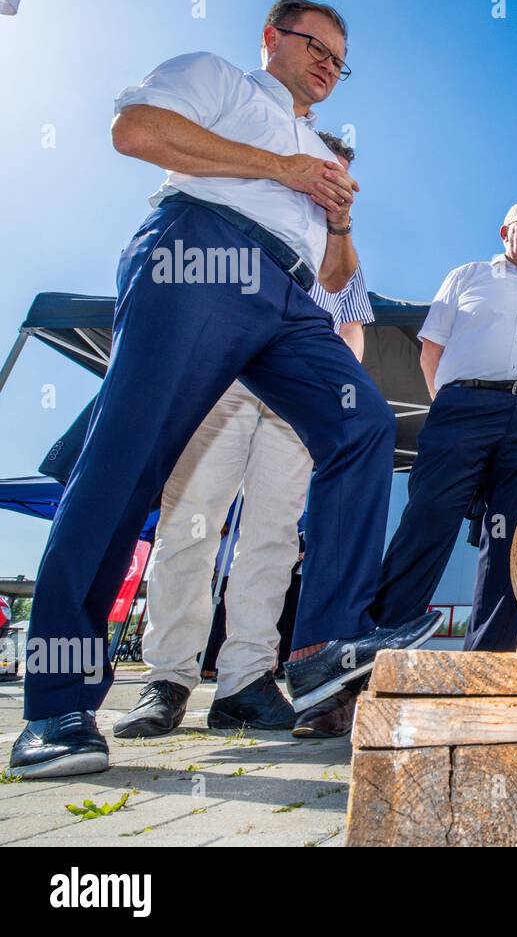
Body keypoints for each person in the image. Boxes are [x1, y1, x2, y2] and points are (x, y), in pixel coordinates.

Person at [9, 0, 438, 780]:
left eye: (342, 61)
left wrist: (334, 214)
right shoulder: (221, 82)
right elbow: (136, 132)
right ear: (272, 37)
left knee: (365, 425)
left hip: (292, 296)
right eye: (317, 47)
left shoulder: (321, 150)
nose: (329, 67)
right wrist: (283, 169)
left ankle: (319, 649)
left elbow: (340, 277)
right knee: (127, 463)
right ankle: (56, 709)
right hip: (202, 252)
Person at [111, 131, 375, 740]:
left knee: (274, 537)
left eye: (344, 173)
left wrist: (338, 226)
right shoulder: (249, 203)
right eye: (327, 166)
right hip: (225, 383)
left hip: (298, 397)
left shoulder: (341, 243)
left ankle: (246, 681)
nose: (334, 178)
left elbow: (350, 320)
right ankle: (169, 677)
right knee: (191, 523)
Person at [363, 200, 517, 668]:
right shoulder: (466, 276)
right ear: (506, 230)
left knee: (509, 538)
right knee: (429, 517)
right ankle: (378, 652)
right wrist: (449, 406)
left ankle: (486, 664)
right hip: (463, 409)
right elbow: (431, 352)